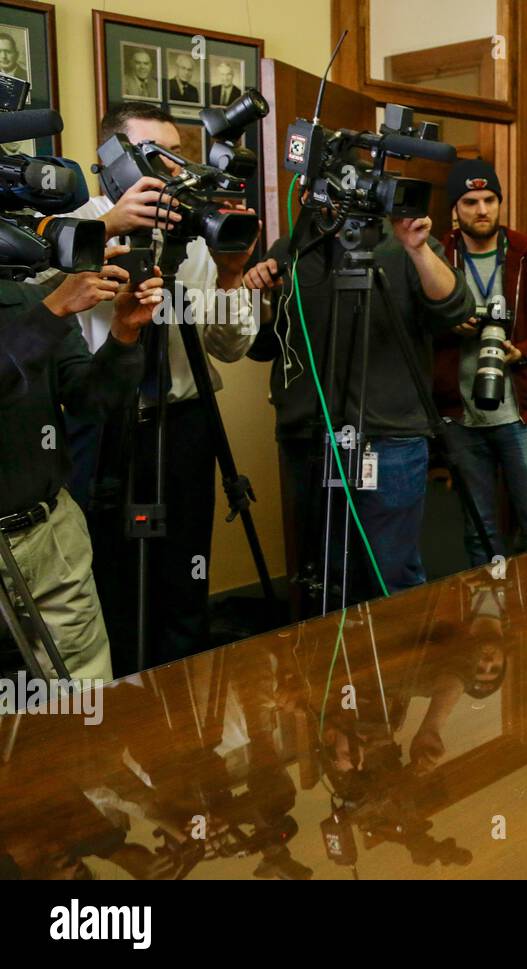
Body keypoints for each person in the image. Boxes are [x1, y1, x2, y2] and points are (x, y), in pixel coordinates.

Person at [61, 102, 261, 675]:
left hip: (185, 426)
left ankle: (181, 699)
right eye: (155, 157)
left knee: (185, 571)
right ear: (111, 161)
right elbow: (35, 309)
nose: (173, 175)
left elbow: (229, 348)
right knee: (109, 577)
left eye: (178, 159)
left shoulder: (197, 231)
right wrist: (112, 228)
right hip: (105, 430)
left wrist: (227, 276)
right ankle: (120, 710)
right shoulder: (83, 223)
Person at [243, 190, 474, 611]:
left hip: (388, 433)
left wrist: (419, 252)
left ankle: (398, 673)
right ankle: (335, 671)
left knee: (391, 572)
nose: (326, 199)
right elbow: (264, 345)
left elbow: (456, 309)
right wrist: (255, 292)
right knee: (325, 574)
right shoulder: (295, 245)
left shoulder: (401, 237)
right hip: (309, 434)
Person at [0, 251, 161, 682]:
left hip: (48, 532)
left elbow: (92, 401)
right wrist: (53, 310)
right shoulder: (47, 306)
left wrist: (124, 334)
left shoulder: (27, 299)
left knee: (85, 694)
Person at [434, 159, 527, 565]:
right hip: (461, 415)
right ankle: (488, 625)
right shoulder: (437, 254)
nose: (482, 210)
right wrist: (449, 327)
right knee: (479, 533)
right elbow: (413, 320)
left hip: (521, 414)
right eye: (471, 201)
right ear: (455, 209)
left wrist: (522, 350)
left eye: (490, 199)